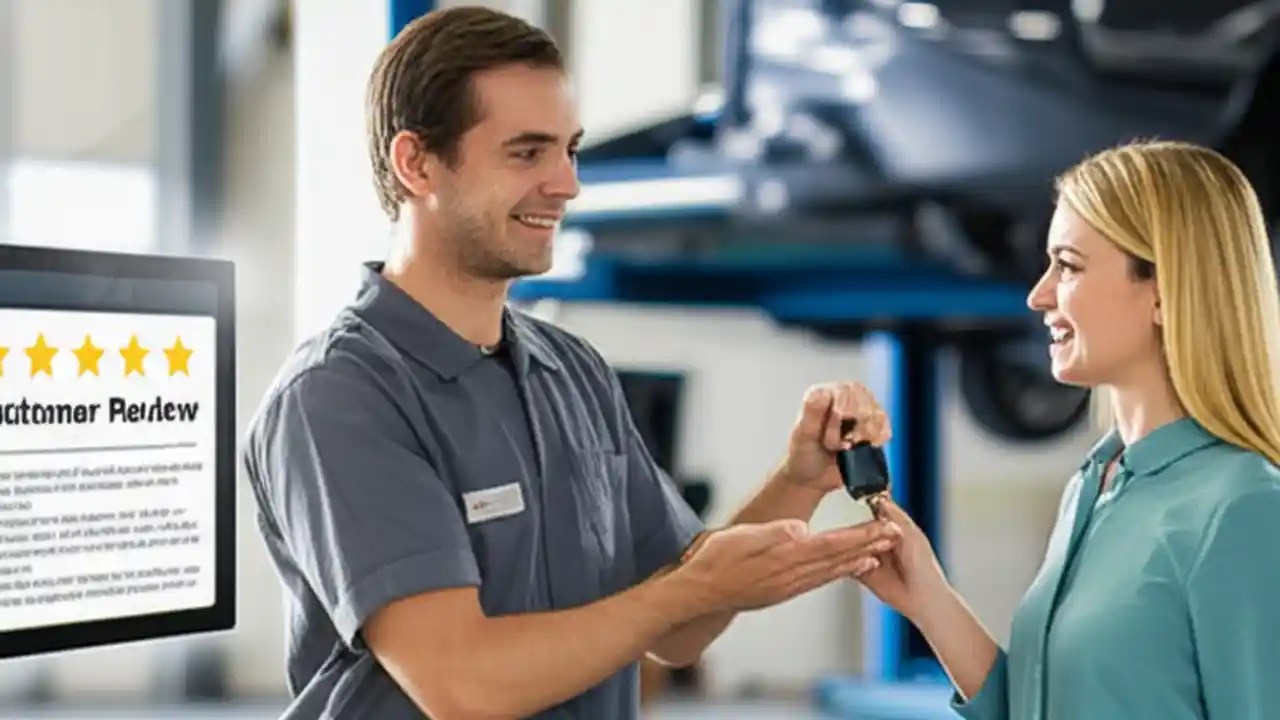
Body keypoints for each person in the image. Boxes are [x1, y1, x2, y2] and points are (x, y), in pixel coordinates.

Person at [242, 7, 901, 719]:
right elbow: (462, 685)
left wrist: (798, 481)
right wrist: (687, 590)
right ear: (417, 163)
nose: (566, 184)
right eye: (527, 154)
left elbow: (678, 628)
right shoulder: (339, 397)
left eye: (569, 151)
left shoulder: (571, 372)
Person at [857, 139, 1280, 719]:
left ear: (1164, 290)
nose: (1039, 295)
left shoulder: (1245, 508)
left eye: (1069, 266)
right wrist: (927, 597)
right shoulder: (1094, 485)